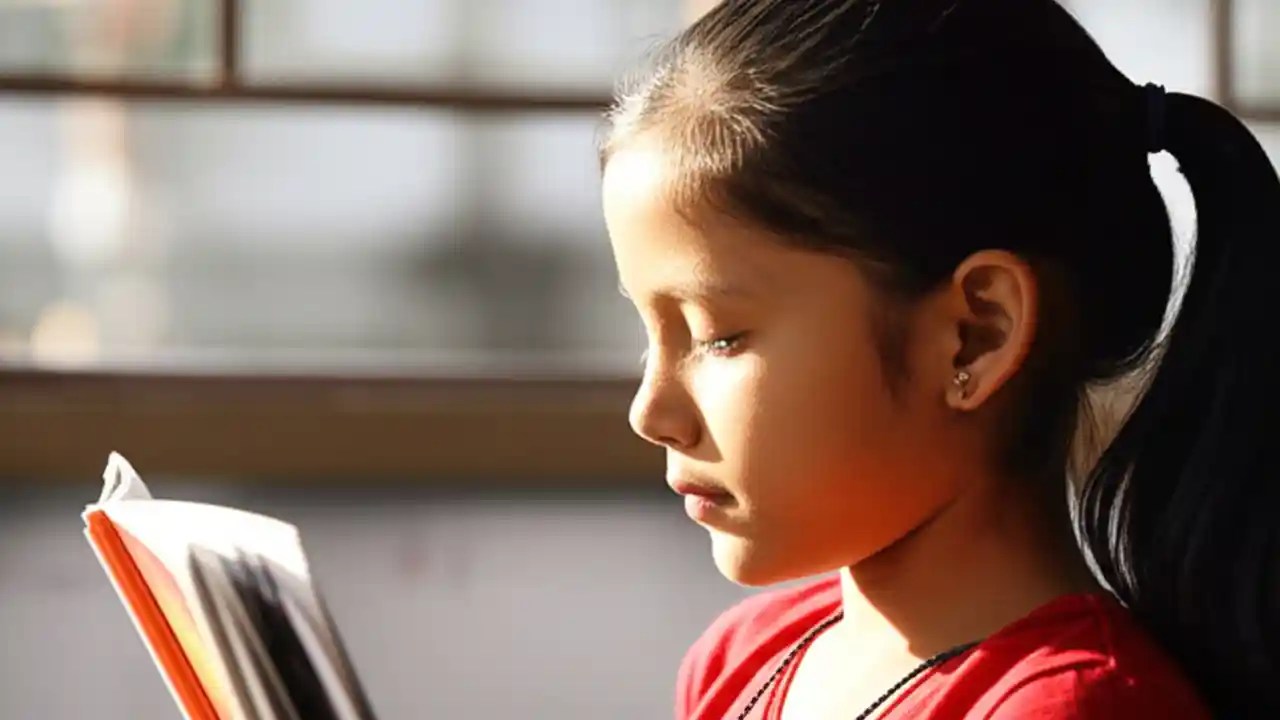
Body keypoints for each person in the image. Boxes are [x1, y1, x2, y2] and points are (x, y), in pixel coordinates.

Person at [597, 0, 1279, 718]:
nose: (652, 412)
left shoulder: (1079, 707)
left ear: (974, 335)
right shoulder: (745, 660)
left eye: (717, 335)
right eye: (651, 331)